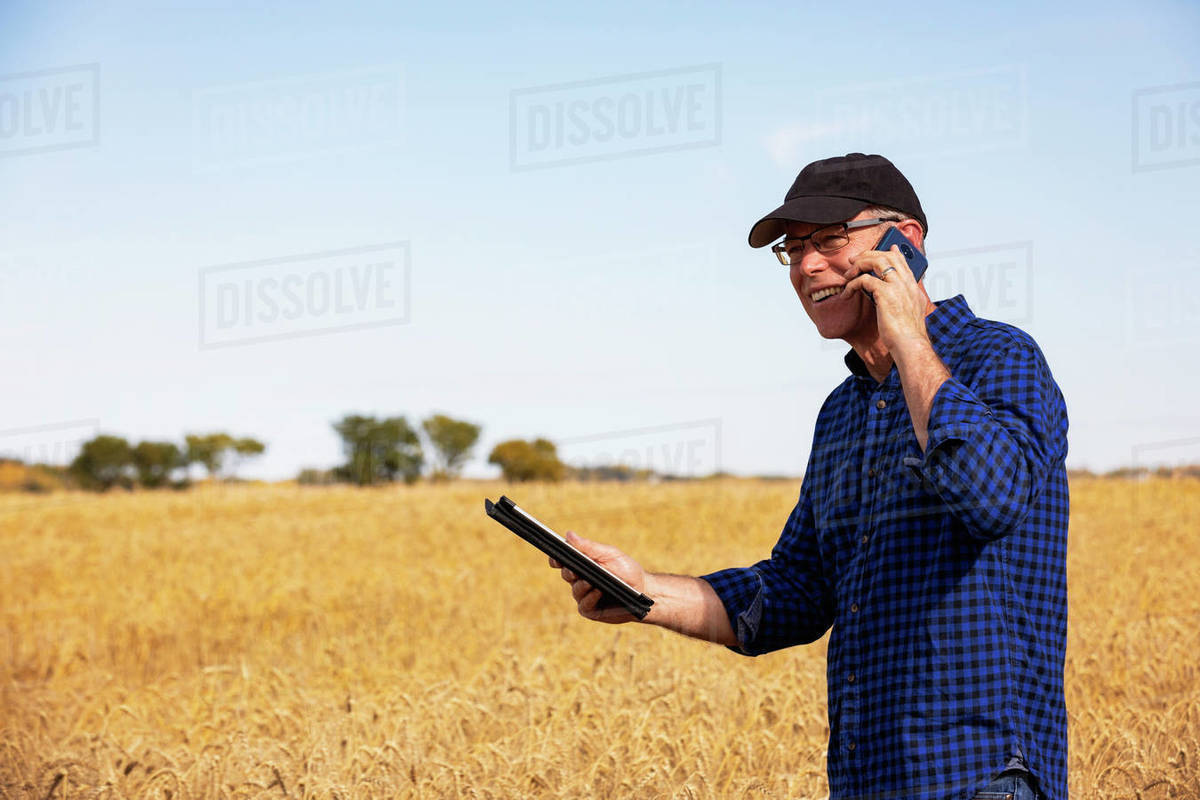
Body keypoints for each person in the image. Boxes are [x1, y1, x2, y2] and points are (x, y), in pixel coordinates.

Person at [550, 153, 1069, 800]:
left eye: (829, 239)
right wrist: (645, 592)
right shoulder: (842, 411)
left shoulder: (1001, 357)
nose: (807, 266)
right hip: (866, 782)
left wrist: (909, 337)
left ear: (905, 242)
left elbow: (992, 497)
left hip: (980, 778)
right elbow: (797, 589)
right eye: (794, 250)